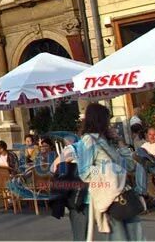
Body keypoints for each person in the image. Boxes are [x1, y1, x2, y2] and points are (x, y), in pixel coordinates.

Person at [53, 102, 143, 241]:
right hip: (103, 197)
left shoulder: (108, 142)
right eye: (108, 119)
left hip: (121, 194)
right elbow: (86, 172)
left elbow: (130, 166)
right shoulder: (89, 140)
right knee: (116, 238)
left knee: (135, 236)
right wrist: (106, 171)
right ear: (100, 120)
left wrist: (119, 141)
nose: (110, 123)